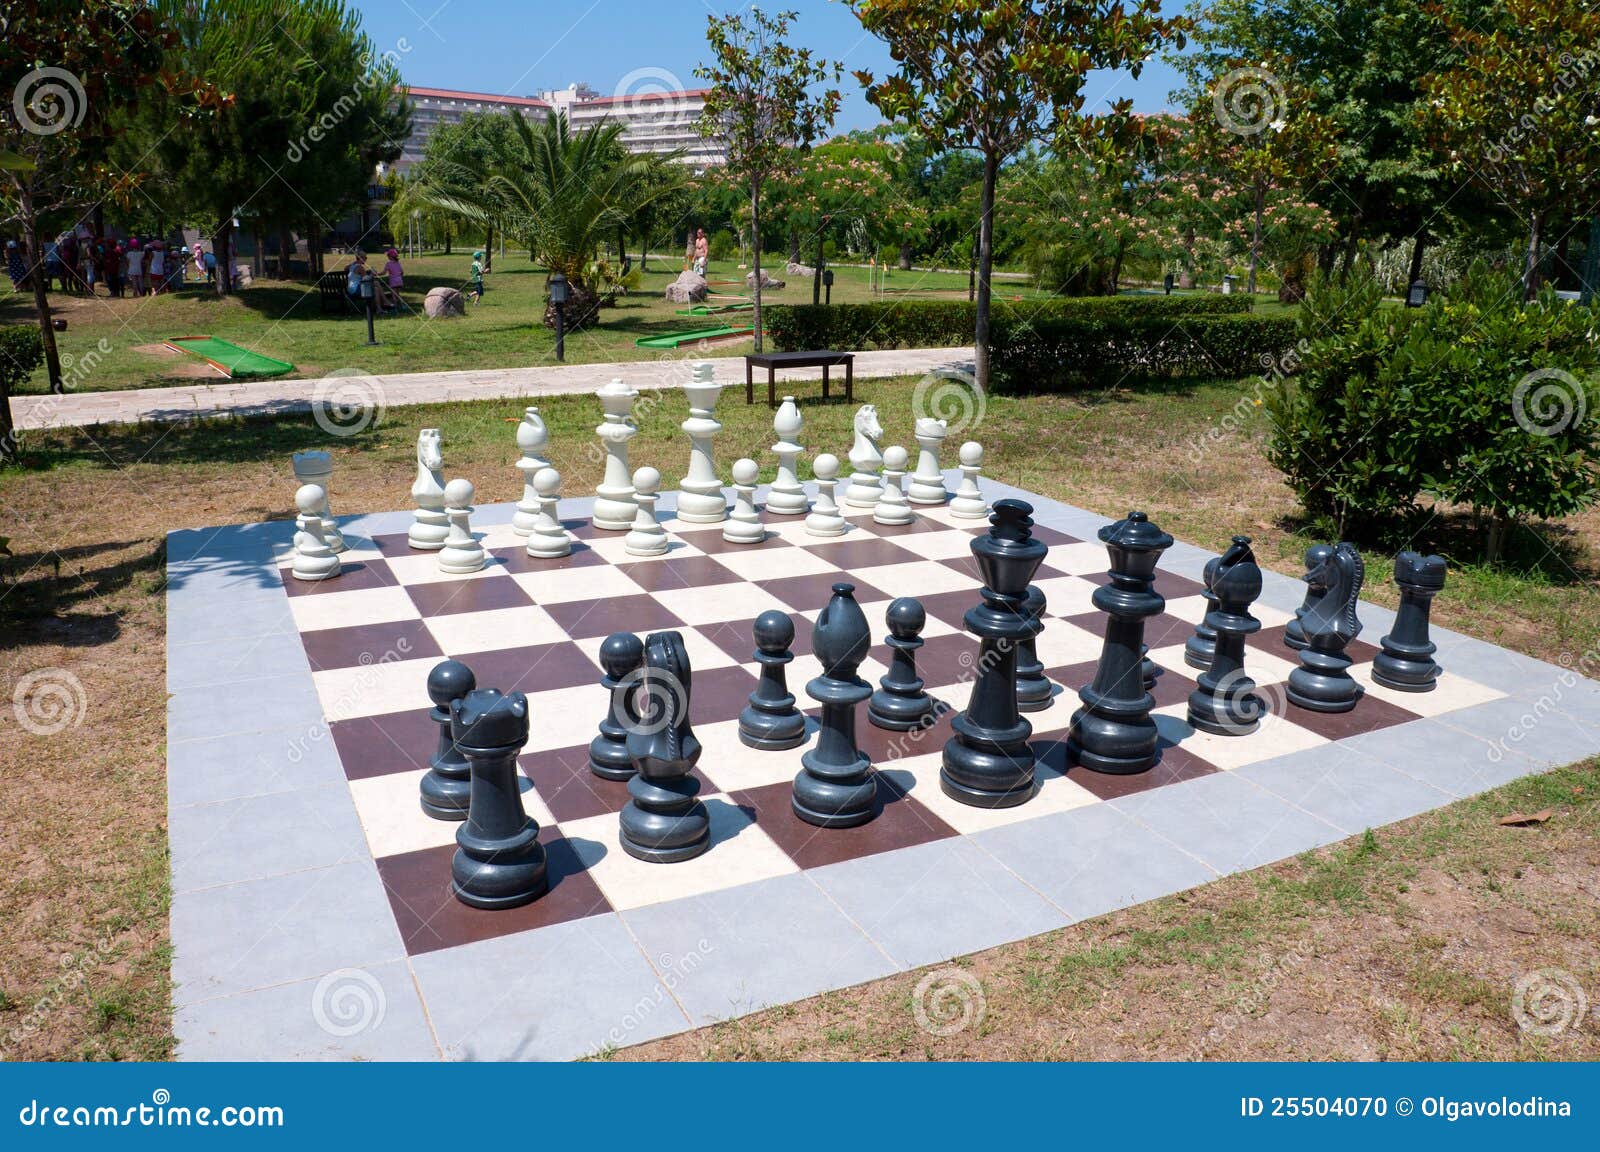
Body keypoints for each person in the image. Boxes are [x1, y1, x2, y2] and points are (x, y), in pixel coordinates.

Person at [381, 247, 403, 311]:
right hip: (399, 280)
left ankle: (395, 308)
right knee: (398, 294)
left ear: (390, 256)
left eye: (388, 255)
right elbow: (402, 272)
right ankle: (402, 306)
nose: (387, 257)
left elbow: (384, 272)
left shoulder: (388, 264)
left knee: (393, 295)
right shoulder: (398, 263)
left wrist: (377, 274)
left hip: (393, 281)